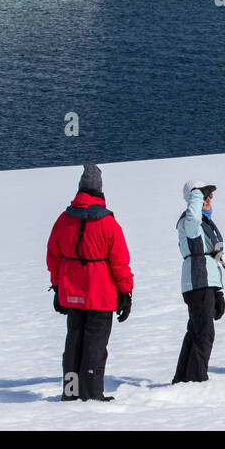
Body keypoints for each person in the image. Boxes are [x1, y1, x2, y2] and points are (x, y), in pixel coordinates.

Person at [46, 163, 133, 401]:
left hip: (73, 294)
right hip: (100, 295)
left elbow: (53, 256)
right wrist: (126, 293)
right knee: (95, 345)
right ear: (100, 191)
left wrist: (57, 287)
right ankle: (92, 394)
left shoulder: (64, 219)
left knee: (73, 344)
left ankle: (70, 392)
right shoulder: (108, 223)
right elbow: (119, 263)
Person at [173, 179, 225, 383]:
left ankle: (182, 378)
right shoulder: (190, 223)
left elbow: (214, 258)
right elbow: (193, 216)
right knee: (204, 333)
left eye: (210, 197)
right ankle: (196, 379)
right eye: (204, 197)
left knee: (196, 330)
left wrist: (219, 291)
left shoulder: (205, 223)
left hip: (206, 282)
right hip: (198, 282)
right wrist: (196, 194)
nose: (208, 200)